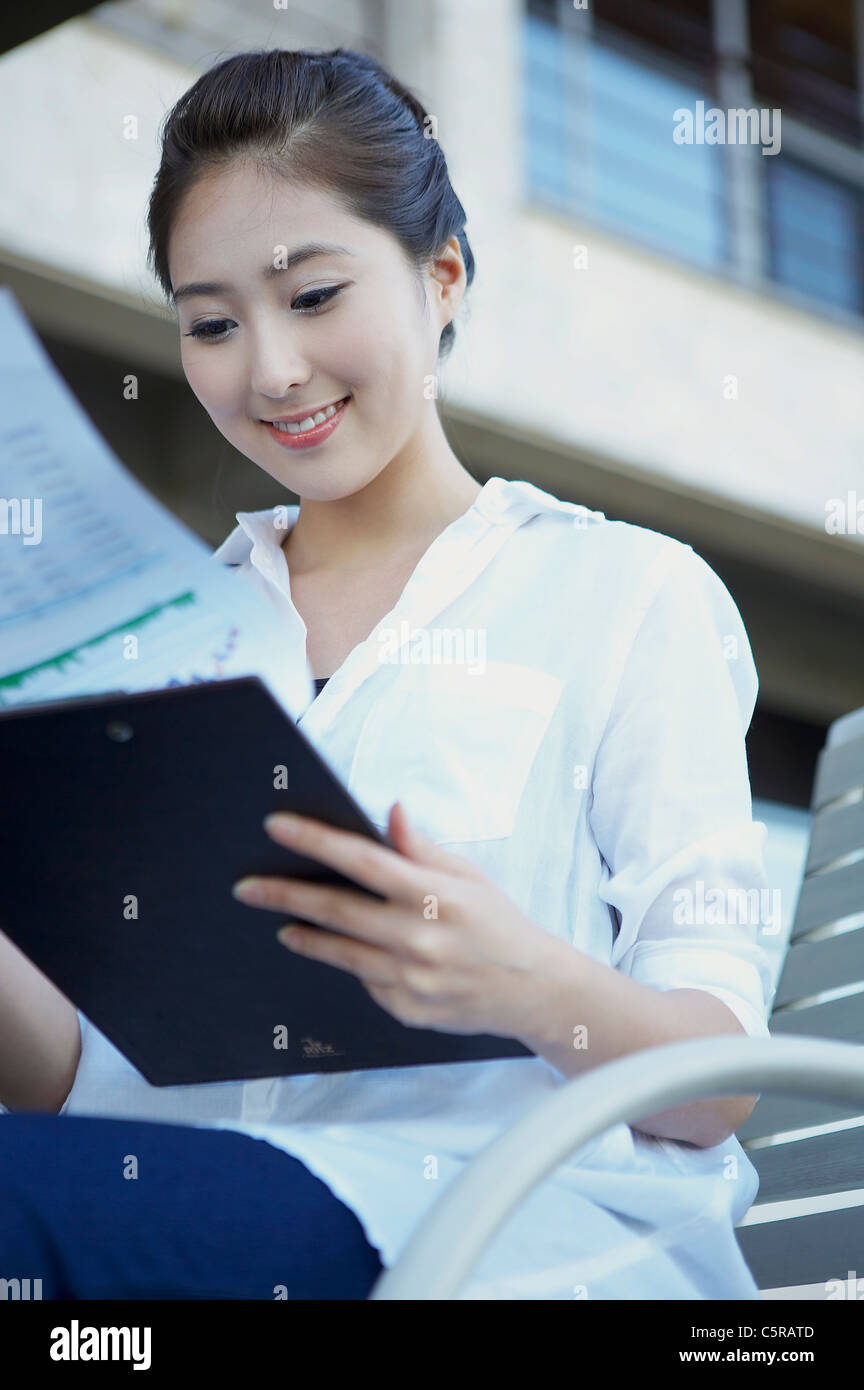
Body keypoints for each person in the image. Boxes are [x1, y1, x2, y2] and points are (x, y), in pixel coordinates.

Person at [0, 47, 776, 1301]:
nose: (270, 371)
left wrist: (520, 980)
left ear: (443, 274)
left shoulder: (629, 594)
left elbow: (719, 1081)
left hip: (501, 1236)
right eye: (210, 323)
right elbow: (67, 1088)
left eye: (312, 296)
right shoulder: (158, 638)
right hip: (177, 1218)